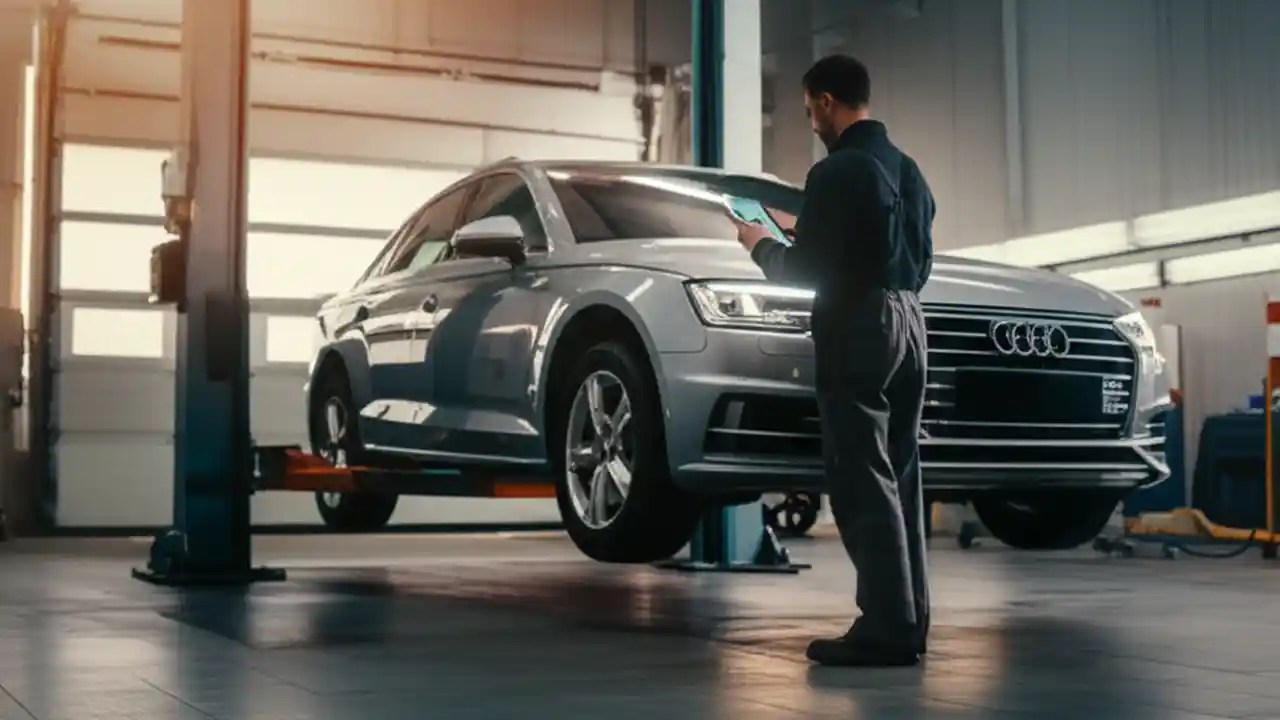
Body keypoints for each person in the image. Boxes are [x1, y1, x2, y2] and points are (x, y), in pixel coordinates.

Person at [734, 54, 936, 667]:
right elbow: (911, 256)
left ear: (824, 102)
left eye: (809, 111)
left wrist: (759, 242)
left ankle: (884, 627)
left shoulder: (836, 171)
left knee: (858, 476)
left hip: (857, 327)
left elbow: (805, 270)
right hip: (910, 322)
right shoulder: (907, 169)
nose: (812, 124)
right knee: (900, 474)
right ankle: (909, 620)